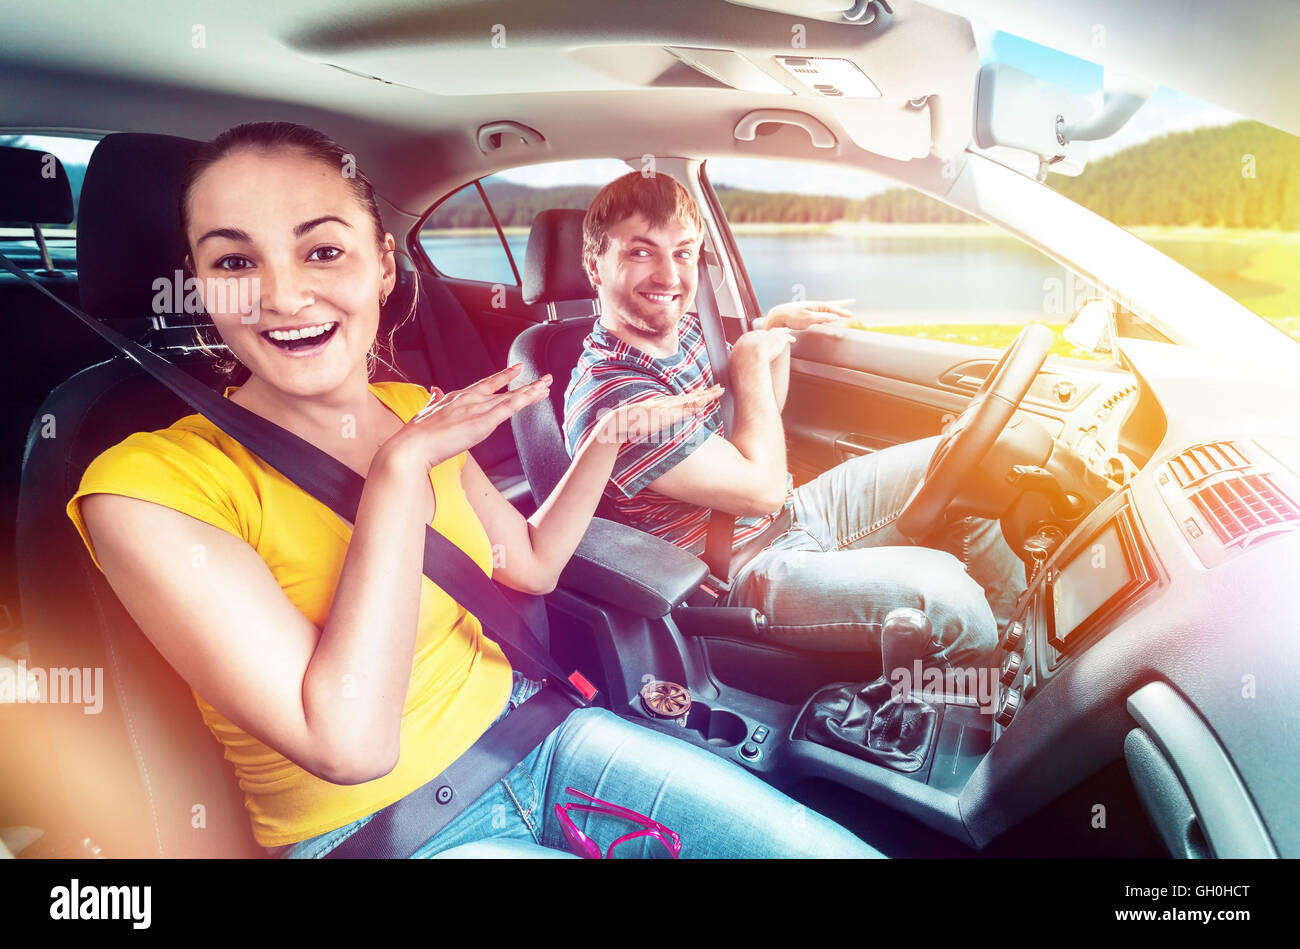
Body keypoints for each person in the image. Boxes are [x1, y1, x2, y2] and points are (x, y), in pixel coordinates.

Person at [64, 122, 883, 859]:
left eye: (322, 250)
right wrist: (396, 474)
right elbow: (347, 745)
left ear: (384, 263)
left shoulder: (412, 409)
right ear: (201, 284)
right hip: (382, 828)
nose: (283, 295)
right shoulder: (143, 487)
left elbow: (527, 565)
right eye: (235, 260)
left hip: (541, 737)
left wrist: (603, 441)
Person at [563, 172, 1028, 674]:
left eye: (682, 252)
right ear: (595, 265)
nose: (670, 276)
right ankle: (975, 713)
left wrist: (770, 334)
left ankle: (1013, 653)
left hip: (795, 511)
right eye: (641, 252)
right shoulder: (613, 398)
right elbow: (759, 488)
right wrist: (746, 359)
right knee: (950, 601)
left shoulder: (686, 331)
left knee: (969, 467)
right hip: (740, 568)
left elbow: (761, 426)